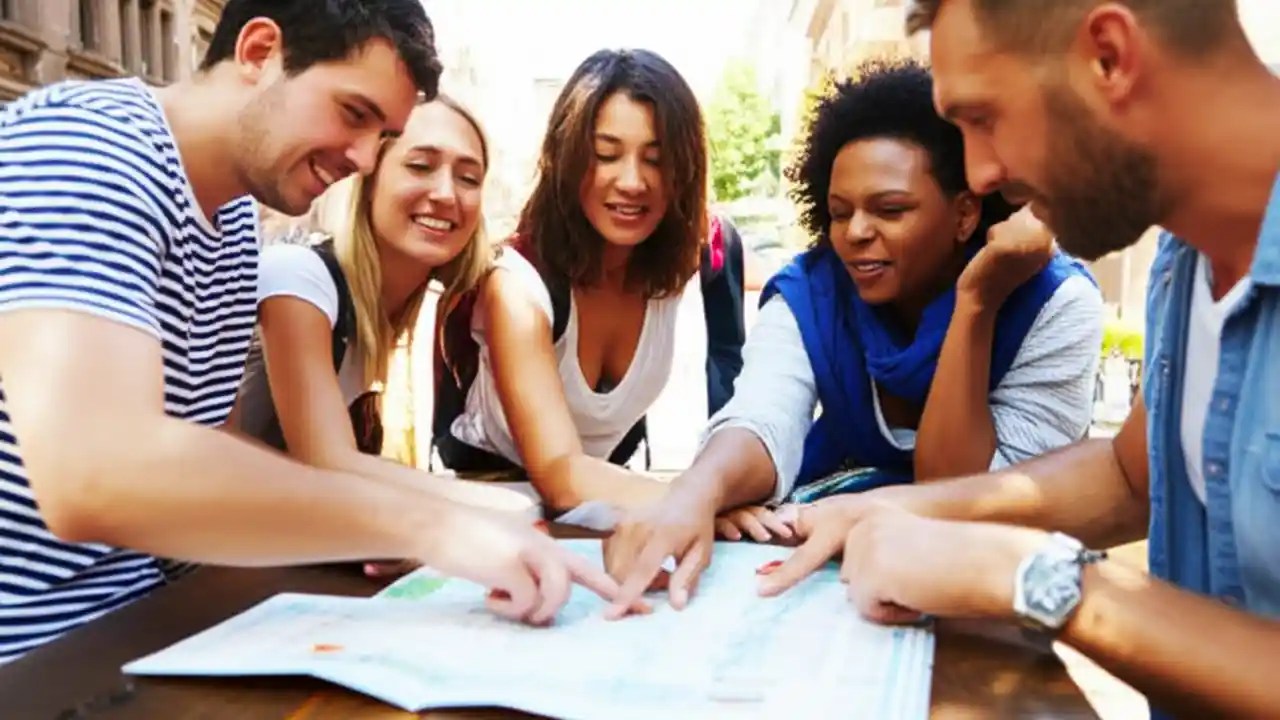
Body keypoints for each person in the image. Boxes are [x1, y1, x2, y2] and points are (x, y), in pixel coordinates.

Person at [0, 0, 617, 663]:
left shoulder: (235, 220)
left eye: (381, 133)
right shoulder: (86, 149)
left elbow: (205, 461)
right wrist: (432, 526)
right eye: (354, 113)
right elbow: (99, 474)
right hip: (34, 656)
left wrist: (373, 532)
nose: (360, 156)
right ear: (260, 52)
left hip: (147, 633)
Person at [754, 1, 1280, 717]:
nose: (982, 173)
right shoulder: (1185, 259)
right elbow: (1132, 477)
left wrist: (1029, 575)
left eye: (985, 118)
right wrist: (881, 510)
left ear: (1109, 57)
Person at [602, 59, 1102, 611]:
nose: (857, 233)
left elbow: (973, 495)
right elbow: (765, 415)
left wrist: (976, 303)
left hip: (993, 591)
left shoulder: (1052, 304)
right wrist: (700, 490)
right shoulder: (812, 293)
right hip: (833, 578)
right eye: (840, 213)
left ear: (964, 213)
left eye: (890, 209)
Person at [433, 49, 744, 524]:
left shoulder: (681, 268)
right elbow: (559, 473)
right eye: (606, 155)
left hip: (604, 502)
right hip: (495, 500)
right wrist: (696, 500)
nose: (633, 181)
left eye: (656, 159)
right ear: (568, 160)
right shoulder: (517, 287)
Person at [234, 95, 536, 559]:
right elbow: (330, 465)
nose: (446, 193)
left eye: (468, 177)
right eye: (420, 166)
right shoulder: (297, 276)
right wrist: (507, 508)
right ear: (367, 182)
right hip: (192, 583)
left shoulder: (407, 306)